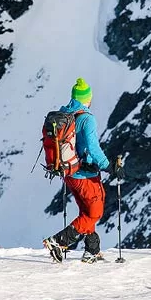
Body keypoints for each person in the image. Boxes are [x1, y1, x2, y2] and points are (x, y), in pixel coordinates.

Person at [43, 78, 111, 263]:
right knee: (95, 212)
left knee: (86, 211)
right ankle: (58, 241)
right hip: (85, 173)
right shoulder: (87, 119)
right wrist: (108, 165)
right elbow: (93, 147)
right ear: (87, 99)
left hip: (68, 171)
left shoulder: (64, 114)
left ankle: (92, 250)